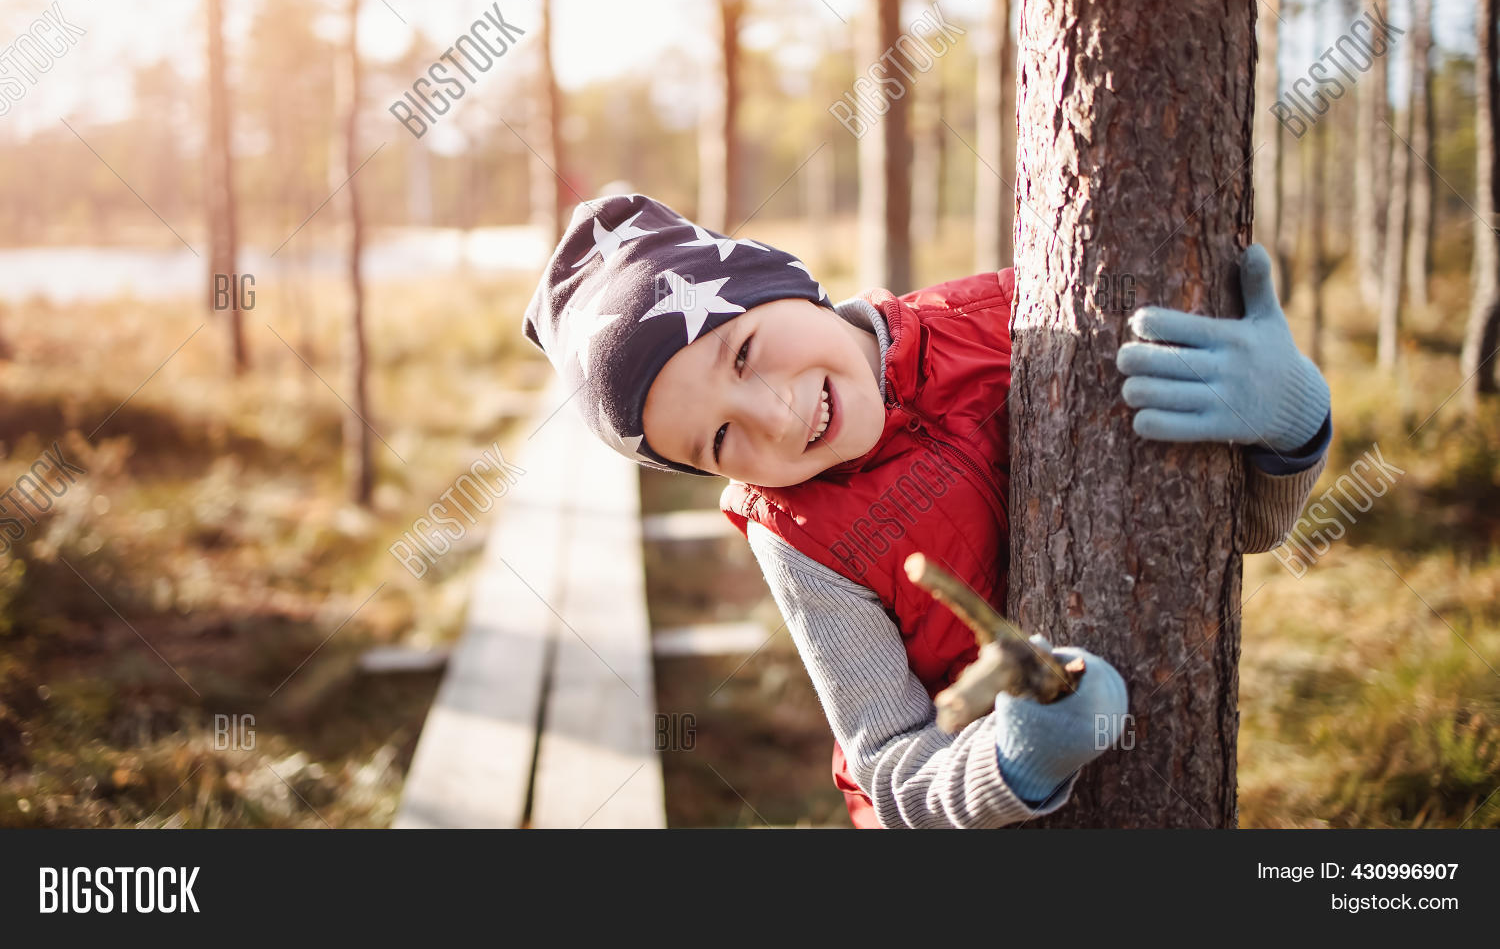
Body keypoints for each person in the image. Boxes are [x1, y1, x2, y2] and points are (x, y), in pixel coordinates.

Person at [522, 193, 1331, 828]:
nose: (775, 416)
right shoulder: (801, 536)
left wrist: (1294, 423)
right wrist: (1010, 760)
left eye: (744, 351)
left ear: (791, 286)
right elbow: (891, 766)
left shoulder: (1011, 314)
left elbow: (1238, 534)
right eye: (721, 437)